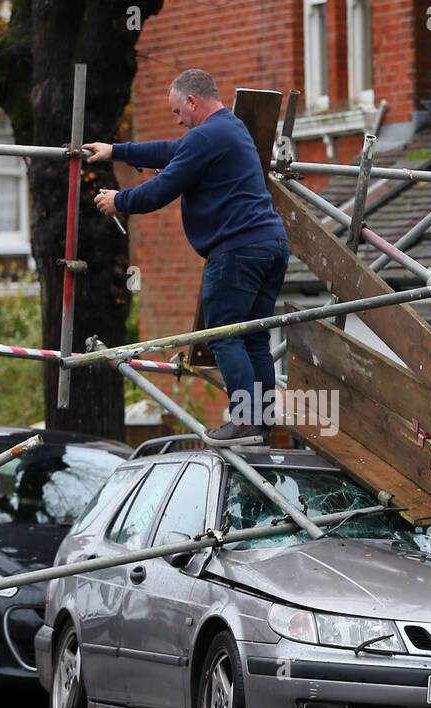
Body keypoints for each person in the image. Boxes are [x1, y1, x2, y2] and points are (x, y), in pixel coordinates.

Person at [87, 68, 289, 447]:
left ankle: (243, 422)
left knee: (223, 333)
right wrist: (115, 151)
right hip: (271, 245)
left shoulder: (208, 136)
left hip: (238, 251)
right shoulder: (229, 129)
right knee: (254, 337)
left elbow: (162, 188)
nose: (178, 120)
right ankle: (260, 425)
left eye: (179, 111)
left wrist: (120, 201)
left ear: (193, 101)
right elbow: (168, 150)